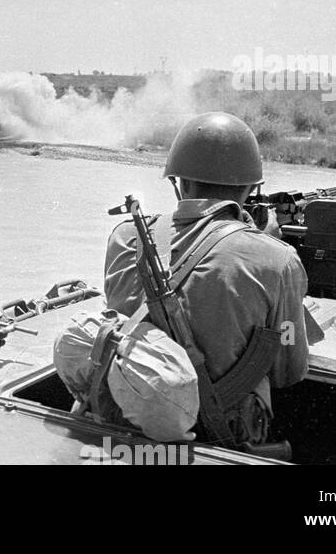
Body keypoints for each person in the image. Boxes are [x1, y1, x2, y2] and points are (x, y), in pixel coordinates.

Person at [102, 111, 310, 448]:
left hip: (121, 422)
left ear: (177, 182)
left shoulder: (126, 237)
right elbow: (289, 372)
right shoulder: (277, 259)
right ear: (251, 188)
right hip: (221, 438)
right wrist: (269, 245)